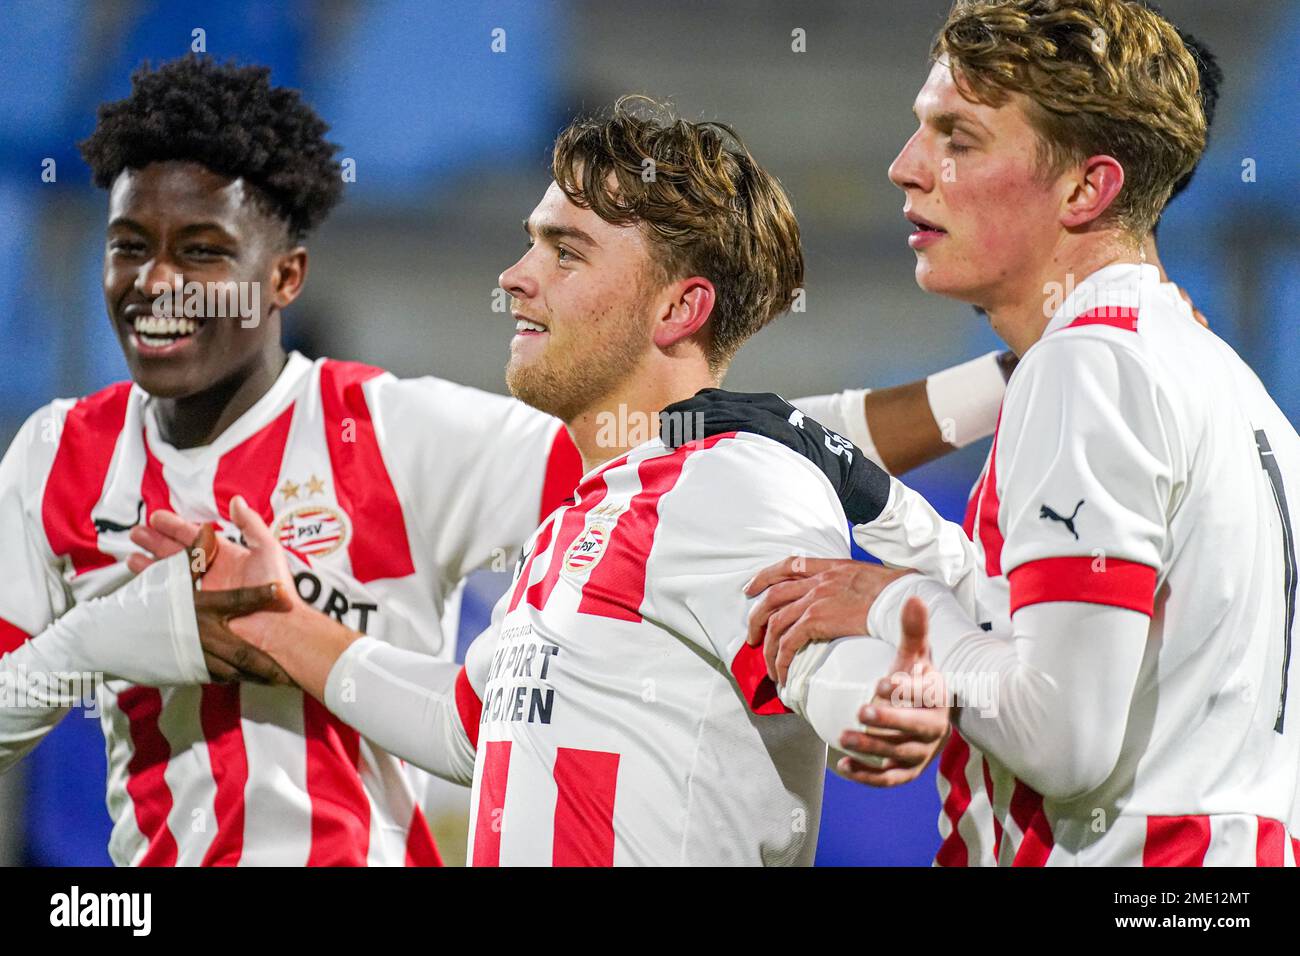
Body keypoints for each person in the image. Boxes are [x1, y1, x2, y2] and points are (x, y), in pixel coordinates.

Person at [0, 56, 1005, 866]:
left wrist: (877, 700)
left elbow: (809, 622)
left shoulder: (722, 481)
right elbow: (472, 717)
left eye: (563, 252)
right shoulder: (585, 513)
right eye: (129, 244)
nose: (515, 276)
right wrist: (266, 623)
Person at [744, 0, 1300, 866]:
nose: (905, 167)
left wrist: (889, 602)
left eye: (957, 138)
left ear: (1087, 187)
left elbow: (1062, 738)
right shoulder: (1228, 382)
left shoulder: (1088, 367)